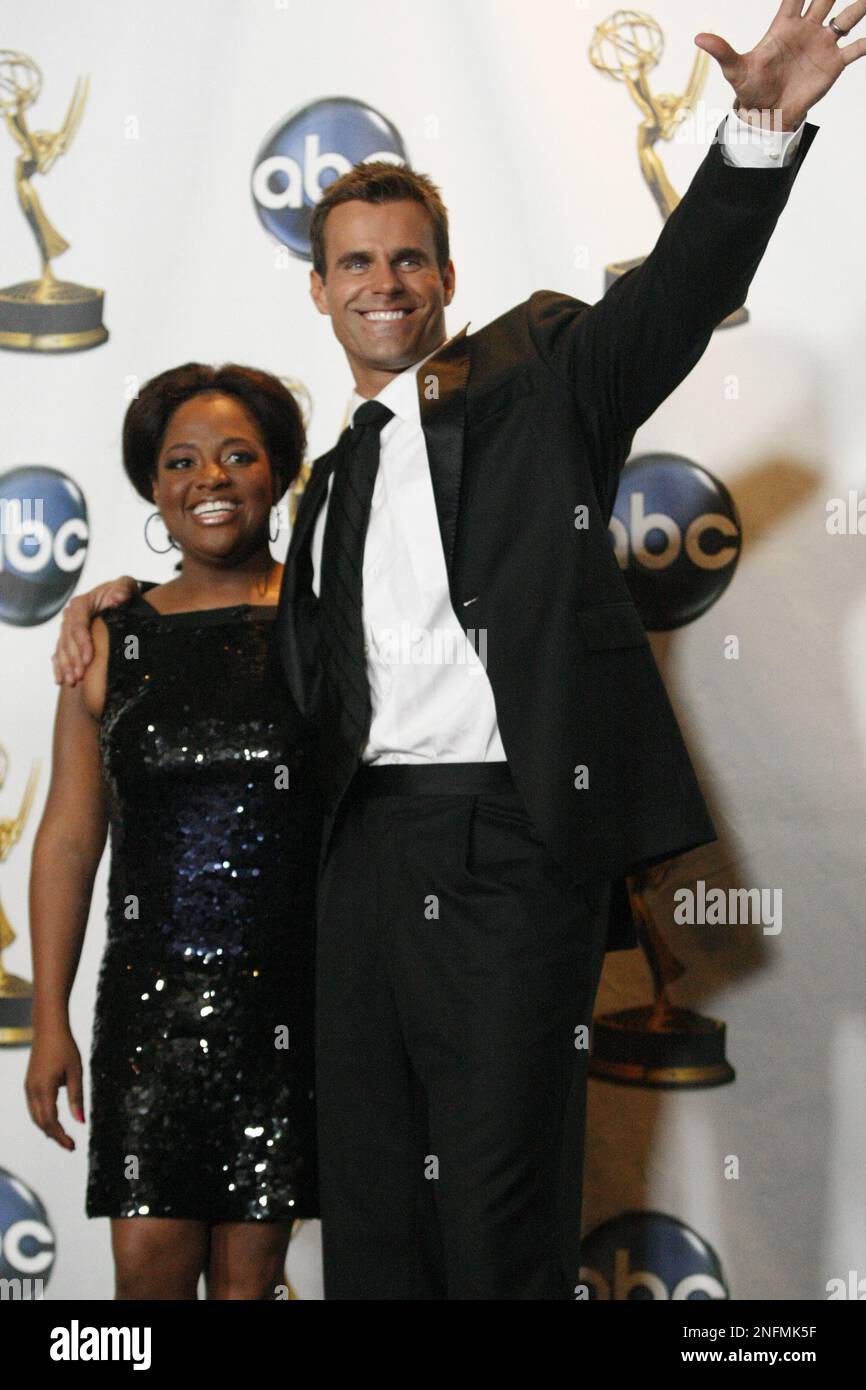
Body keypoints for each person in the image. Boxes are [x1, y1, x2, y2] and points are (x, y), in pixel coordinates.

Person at [54, 2, 865, 1299]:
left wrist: (756, 130)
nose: (384, 281)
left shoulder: (541, 376)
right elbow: (280, 642)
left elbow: (674, 296)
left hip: (505, 845)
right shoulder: (323, 490)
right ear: (318, 288)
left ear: (444, 274)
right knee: (374, 1223)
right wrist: (121, 603)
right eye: (356, 262)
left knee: (496, 1221)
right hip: (355, 858)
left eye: (408, 258)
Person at [29, 365, 321, 1300]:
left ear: (277, 476)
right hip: (150, 1013)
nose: (211, 479)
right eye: (182, 461)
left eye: (239, 456)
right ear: (152, 487)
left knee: (250, 1285)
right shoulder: (113, 638)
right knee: (145, 1278)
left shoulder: (326, 622)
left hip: (293, 1003)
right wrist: (48, 1021)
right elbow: (70, 842)